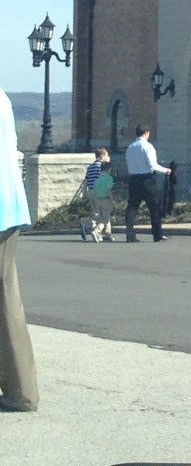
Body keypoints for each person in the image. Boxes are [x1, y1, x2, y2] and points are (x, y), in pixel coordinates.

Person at [0, 87, 39, 412]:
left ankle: (21, 392)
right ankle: (20, 389)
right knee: (6, 296)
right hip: (8, 207)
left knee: (5, 301)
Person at [124, 125, 172, 243]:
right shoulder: (148, 147)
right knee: (154, 207)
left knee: (132, 207)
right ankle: (157, 234)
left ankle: (130, 235)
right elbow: (153, 165)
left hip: (133, 179)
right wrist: (166, 170)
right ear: (146, 132)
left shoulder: (129, 148)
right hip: (147, 179)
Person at [82, 147, 109, 241]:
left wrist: (84, 192)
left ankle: (101, 233)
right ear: (102, 156)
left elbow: (86, 181)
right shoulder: (102, 168)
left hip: (91, 191)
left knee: (95, 213)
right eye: (106, 155)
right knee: (104, 213)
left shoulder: (90, 167)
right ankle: (96, 231)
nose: (108, 157)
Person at [91, 161, 114, 242]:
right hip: (105, 199)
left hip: (98, 199)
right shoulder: (109, 178)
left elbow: (94, 191)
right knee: (105, 218)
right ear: (109, 169)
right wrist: (112, 201)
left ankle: (108, 234)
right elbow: (109, 190)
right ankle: (96, 231)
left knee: (102, 217)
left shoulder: (97, 179)